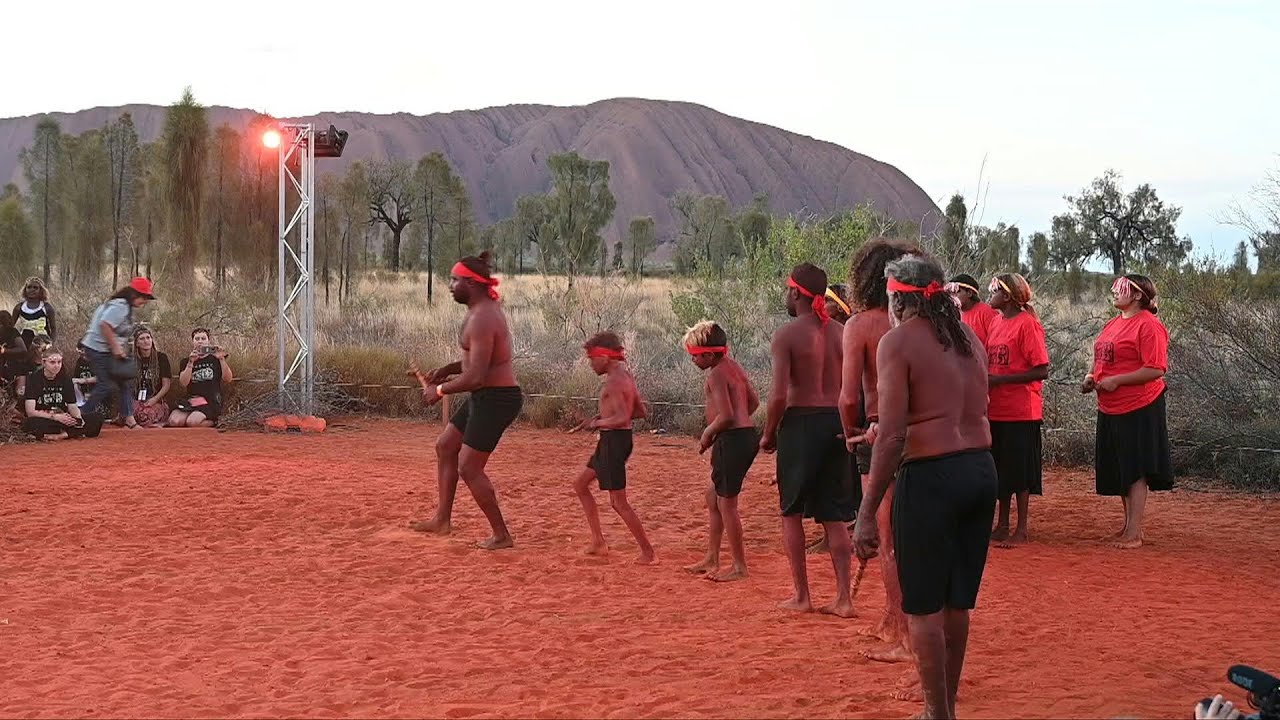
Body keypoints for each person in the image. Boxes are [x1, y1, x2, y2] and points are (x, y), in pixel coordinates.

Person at [852, 253, 996, 720]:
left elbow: (893, 433)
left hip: (932, 478)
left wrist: (865, 512)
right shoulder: (969, 338)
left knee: (923, 607)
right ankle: (946, 706)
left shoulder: (897, 343)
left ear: (899, 298)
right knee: (957, 603)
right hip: (980, 470)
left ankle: (937, 713)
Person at [409, 251, 522, 550]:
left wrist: (440, 391)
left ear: (471, 284)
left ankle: (502, 535)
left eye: (454, 280)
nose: (450, 286)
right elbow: (477, 363)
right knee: (446, 446)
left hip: (496, 399)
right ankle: (442, 520)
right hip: (485, 396)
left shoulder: (484, 317)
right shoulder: (479, 311)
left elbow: (477, 377)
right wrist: (446, 371)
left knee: (469, 467)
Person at [761, 262, 855, 617]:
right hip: (835, 422)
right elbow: (850, 388)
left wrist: (769, 433)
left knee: (791, 511)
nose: (786, 296)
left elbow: (778, 396)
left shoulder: (787, 335)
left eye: (788, 290)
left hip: (800, 424)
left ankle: (802, 595)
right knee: (833, 515)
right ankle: (844, 598)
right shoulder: (840, 333)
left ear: (796, 292)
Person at [839, 238, 917, 660]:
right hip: (922, 437)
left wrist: (849, 435)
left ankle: (904, 632)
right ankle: (893, 618)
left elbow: (848, 397)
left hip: (876, 433)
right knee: (907, 534)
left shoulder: (860, 326)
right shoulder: (930, 325)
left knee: (887, 537)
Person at [1082, 274, 1172, 550]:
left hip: (1139, 405)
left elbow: (1155, 368)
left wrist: (1118, 380)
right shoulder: (1112, 324)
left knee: (1135, 467)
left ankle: (1134, 532)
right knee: (1122, 466)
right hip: (1110, 405)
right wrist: (1091, 376)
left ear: (1136, 296)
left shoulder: (1149, 326)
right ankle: (1128, 526)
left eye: (1121, 289)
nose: (1114, 292)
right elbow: (1102, 359)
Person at [682, 321, 759, 582]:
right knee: (713, 496)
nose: (693, 361)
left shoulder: (716, 374)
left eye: (695, 356)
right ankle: (712, 557)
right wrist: (741, 422)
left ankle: (739, 566)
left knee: (727, 503)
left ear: (710, 354)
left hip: (733, 439)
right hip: (744, 436)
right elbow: (754, 401)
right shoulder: (733, 367)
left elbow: (725, 416)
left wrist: (708, 433)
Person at [569, 332, 656, 563]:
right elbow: (640, 412)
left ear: (605, 357)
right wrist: (603, 416)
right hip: (614, 440)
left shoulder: (615, 382)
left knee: (618, 502)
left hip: (614, 442)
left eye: (591, 358)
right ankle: (598, 542)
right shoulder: (625, 377)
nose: (590, 364)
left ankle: (648, 553)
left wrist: (596, 423)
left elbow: (622, 417)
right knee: (580, 485)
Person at [985, 273, 1050, 547]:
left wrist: (1000, 380)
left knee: (1020, 471)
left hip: (1021, 410)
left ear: (1008, 296)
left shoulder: (1027, 325)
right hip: (997, 409)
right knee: (1000, 468)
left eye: (995, 290)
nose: (990, 295)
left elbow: (1042, 368)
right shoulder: (997, 322)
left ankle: (1021, 527)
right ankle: (1002, 524)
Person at [807, 284, 858, 554]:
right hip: (835, 408)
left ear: (839, 307)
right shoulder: (833, 332)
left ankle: (840, 535)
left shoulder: (848, 333)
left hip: (844, 410)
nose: (822, 305)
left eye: (827, 301)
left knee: (840, 475)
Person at [80, 277, 155, 429]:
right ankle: (80, 416)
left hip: (104, 349)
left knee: (124, 382)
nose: (144, 301)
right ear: (134, 295)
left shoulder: (123, 306)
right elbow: (105, 325)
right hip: (98, 349)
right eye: (143, 297)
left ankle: (128, 418)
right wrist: (116, 347)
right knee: (105, 384)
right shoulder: (120, 306)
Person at [22, 347, 103, 441]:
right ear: (44, 363)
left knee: (97, 418)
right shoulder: (33, 379)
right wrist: (55, 417)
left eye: (59, 362)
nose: (56, 366)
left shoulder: (65, 379)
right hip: (46, 417)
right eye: (52, 362)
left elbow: (72, 406)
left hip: (64, 417)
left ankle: (63, 435)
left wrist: (78, 419)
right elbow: (30, 411)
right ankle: (72, 433)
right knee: (30, 423)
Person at [168, 328, 232, 428]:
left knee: (192, 422)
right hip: (192, 400)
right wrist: (191, 362)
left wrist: (222, 359)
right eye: (197, 339)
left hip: (210, 400)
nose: (200, 341)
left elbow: (228, 379)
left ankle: (214, 422)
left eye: (203, 338)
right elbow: (183, 383)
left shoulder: (215, 359)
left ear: (208, 341)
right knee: (174, 421)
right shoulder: (186, 361)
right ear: (193, 341)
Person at [133, 327, 174, 427]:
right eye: (142, 339)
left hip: (156, 400)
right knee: (128, 413)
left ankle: (159, 423)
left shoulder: (161, 358)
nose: (146, 341)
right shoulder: (133, 360)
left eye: (148, 338)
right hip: (138, 399)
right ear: (137, 343)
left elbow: (166, 385)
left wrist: (154, 399)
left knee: (145, 415)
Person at [947, 273, 998, 350]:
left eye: (957, 292)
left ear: (969, 293)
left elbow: (997, 341)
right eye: (950, 293)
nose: (952, 296)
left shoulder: (986, 311)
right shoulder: (954, 314)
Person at [13, 277, 57, 346]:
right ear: (25, 289)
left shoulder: (47, 308)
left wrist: (51, 344)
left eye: (35, 288)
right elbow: (10, 326)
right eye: (29, 287)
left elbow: (53, 329)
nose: (32, 290)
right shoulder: (19, 308)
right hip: (24, 343)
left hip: (42, 343)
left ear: (41, 290)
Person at [0, 310, 27, 396]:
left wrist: (5, 351)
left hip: (14, 367)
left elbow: (22, 349)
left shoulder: (12, 332)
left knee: (19, 394)